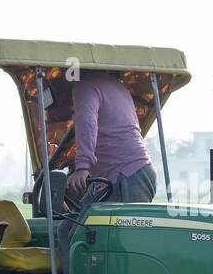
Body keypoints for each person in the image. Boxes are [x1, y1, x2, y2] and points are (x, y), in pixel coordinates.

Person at [64, 71, 157, 205]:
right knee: (73, 224)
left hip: (126, 175)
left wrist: (83, 167)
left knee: (81, 224)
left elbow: (87, 124)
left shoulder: (85, 86)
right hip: (127, 174)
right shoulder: (116, 85)